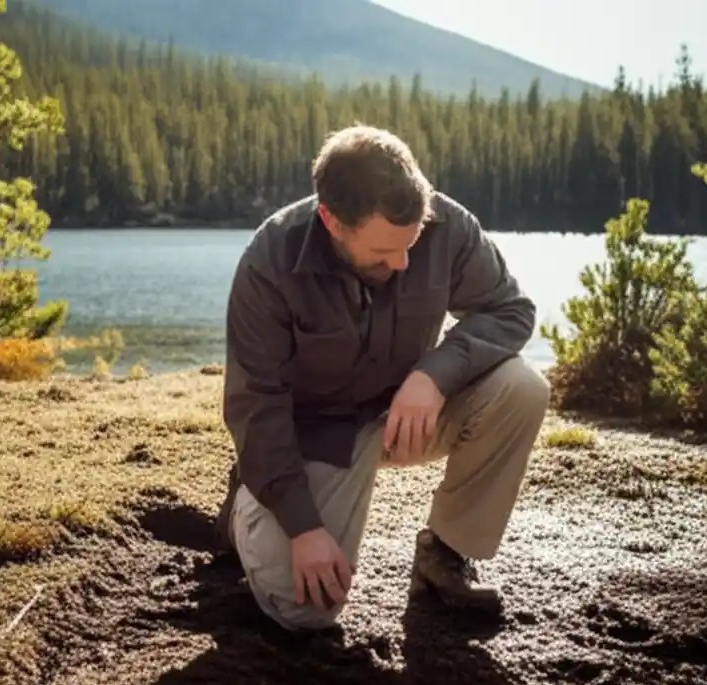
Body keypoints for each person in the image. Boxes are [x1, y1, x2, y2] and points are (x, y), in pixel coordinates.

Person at [215, 123, 549, 632]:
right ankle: (247, 510)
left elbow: (510, 310)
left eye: (411, 244)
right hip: (315, 439)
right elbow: (256, 406)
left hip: (405, 415)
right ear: (331, 220)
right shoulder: (270, 262)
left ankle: (446, 555)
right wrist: (303, 527)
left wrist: (434, 375)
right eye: (381, 254)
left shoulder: (448, 225)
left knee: (521, 389)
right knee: (304, 609)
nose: (403, 263)